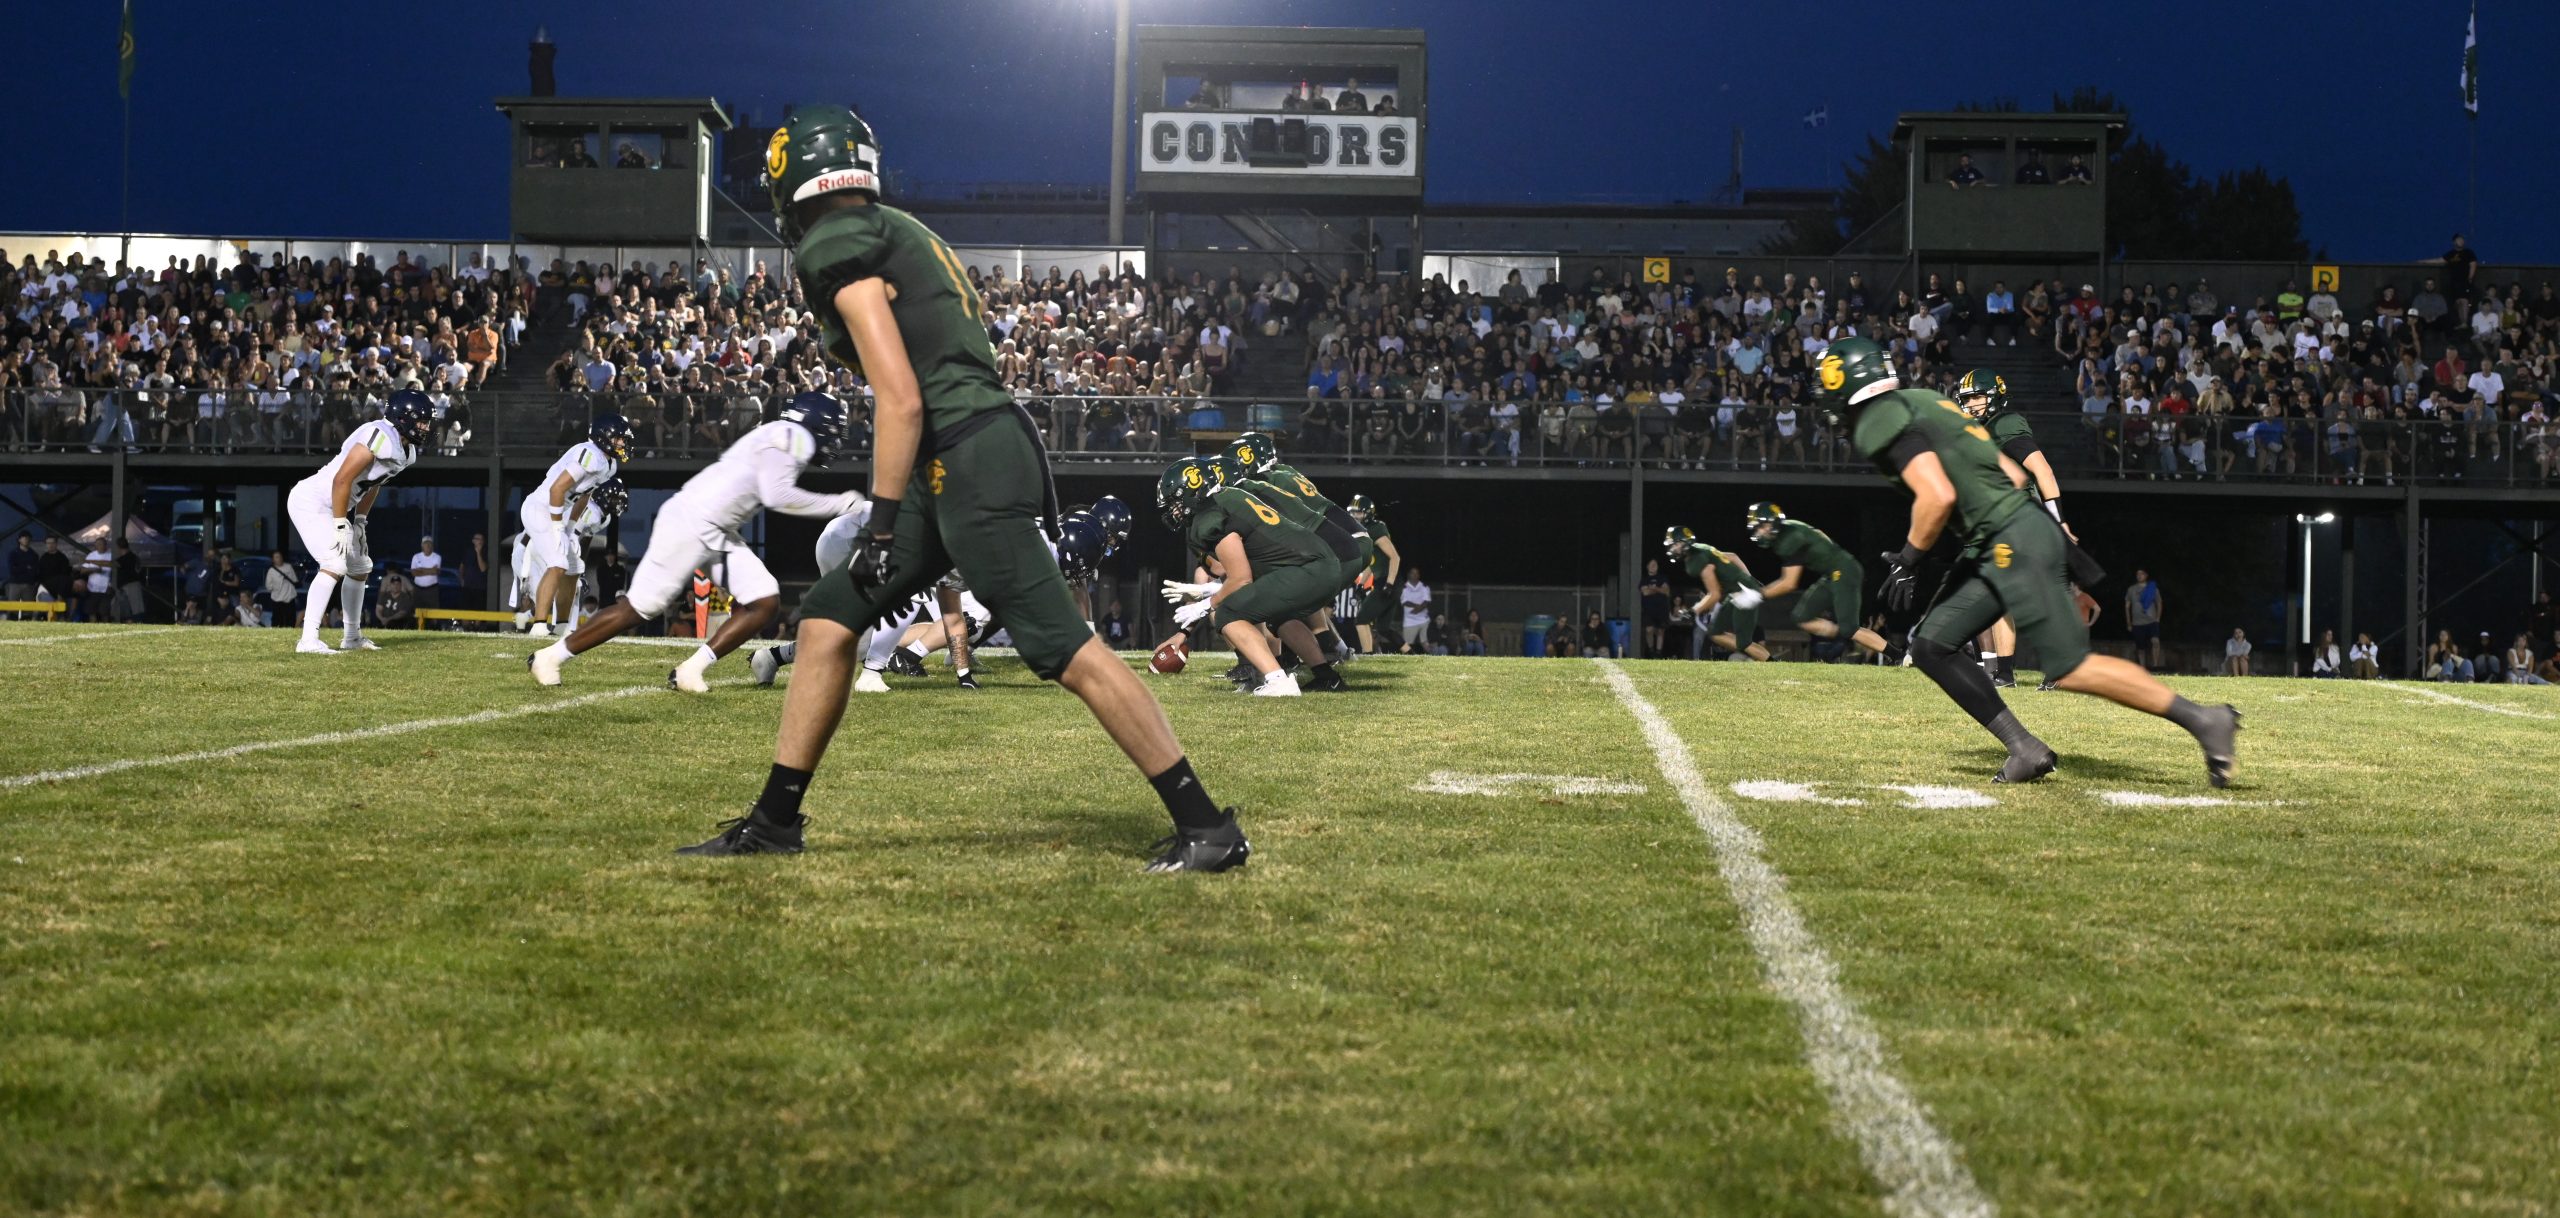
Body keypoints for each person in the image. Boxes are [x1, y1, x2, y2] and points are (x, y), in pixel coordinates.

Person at [693, 103, 1249, 873]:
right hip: (958, 452)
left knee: (1065, 648)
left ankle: (1207, 826)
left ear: (797, 176)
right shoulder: (898, 229)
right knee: (827, 620)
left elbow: (900, 397)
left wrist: (881, 523)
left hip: (965, 454)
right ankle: (775, 820)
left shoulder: (835, 242)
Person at [1825, 335, 2240, 787]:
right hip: (2003, 537)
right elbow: (2012, 473)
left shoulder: (1878, 417)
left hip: (2009, 539)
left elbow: (1936, 496)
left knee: (2072, 668)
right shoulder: (1922, 400)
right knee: (1931, 645)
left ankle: (2205, 720)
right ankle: (2024, 748)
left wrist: (1909, 558)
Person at [531, 394, 855, 691]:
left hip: (715, 527)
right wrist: (841, 503)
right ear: (815, 422)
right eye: (832, 430)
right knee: (638, 609)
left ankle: (691, 670)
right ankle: (551, 656)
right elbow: (777, 495)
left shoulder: (778, 433)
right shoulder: (794, 436)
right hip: (693, 522)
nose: (834, 439)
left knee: (764, 600)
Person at [1956, 369, 2103, 687]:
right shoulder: (1976, 432)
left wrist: (2059, 520)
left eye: (1976, 397)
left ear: (1994, 396)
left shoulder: (2005, 423)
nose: (1970, 405)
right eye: (1966, 399)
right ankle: (2003, 673)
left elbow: (2042, 469)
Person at [1156, 457, 1336, 695]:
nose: (1174, 510)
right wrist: (1200, 603)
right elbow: (1235, 576)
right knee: (1268, 611)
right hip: (1319, 564)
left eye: (1176, 502)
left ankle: (1278, 681)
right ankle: (1322, 675)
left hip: (1306, 569)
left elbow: (1240, 579)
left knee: (1228, 613)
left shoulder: (1209, 519)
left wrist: (1205, 605)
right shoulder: (1230, 497)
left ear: (1193, 491)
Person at [288, 390, 433, 654]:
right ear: (403, 418)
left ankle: (352, 637)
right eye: (421, 421)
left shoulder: (405, 451)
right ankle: (308, 640)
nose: (425, 428)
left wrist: (361, 521)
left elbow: (372, 484)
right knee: (334, 563)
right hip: (313, 502)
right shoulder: (379, 435)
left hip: (334, 505)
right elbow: (341, 480)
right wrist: (340, 523)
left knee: (360, 566)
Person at [522, 415, 632, 636]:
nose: (622, 443)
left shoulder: (609, 465)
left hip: (557, 511)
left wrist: (571, 528)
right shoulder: (589, 454)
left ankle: (562, 625)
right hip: (540, 508)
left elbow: (584, 496)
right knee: (558, 562)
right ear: (605, 437)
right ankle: (539, 625)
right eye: (619, 438)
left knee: (573, 567)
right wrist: (557, 528)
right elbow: (556, 489)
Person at [1744, 502, 1890, 660]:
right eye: (1757, 528)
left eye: (1762, 526)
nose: (1760, 531)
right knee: (1801, 617)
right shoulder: (1789, 528)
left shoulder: (1789, 539)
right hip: (1831, 574)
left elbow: (1789, 583)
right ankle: (1844, 638)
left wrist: (1757, 595)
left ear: (1773, 521)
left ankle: (1898, 656)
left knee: (1850, 629)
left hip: (1843, 570)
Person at [1664, 526, 1769, 661]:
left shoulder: (1696, 561)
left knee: (1743, 642)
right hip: (1738, 591)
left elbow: (1714, 594)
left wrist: (1694, 611)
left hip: (1742, 593)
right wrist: (1750, 579)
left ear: (1685, 543)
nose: (1672, 548)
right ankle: (1769, 661)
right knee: (1715, 632)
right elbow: (1733, 556)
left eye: (1675, 544)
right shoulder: (1701, 548)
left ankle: (1772, 663)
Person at [1346, 494, 1402, 654]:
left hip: (1387, 581)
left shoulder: (1375, 529)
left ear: (1368, 513)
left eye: (1358, 512)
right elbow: (1373, 563)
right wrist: (1361, 584)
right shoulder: (1364, 531)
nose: (1354, 516)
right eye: (1352, 512)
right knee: (1383, 628)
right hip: (1383, 580)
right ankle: (1410, 653)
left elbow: (1395, 557)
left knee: (1361, 620)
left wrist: (1389, 584)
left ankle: (1368, 655)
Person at [2124, 569, 2165, 670]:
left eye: (2141, 574)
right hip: (2137, 622)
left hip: (2151, 621)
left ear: (2146, 575)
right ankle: (2142, 667)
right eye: (2137, 574)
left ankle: (2155, 665)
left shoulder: (2152, 588)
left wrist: (2158, 618)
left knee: (2155, 641)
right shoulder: (2131, 589)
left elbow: (2159, 602)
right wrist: (2129, 622)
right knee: (2140, 647)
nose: (2139, 576)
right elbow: (2127, 606)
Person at [264, 550, 300, 628]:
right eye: (276, 557)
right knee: (277, 619)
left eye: (280, 557)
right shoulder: (271, 571)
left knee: (290, 619)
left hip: (289, 597)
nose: (279, 559)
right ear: (273, 560)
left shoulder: (288, 567)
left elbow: (295, 580)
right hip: (277, 599)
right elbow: (268, 586)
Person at [407, 537, 445, 612]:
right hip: (418, 589)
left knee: (433, 611)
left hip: (432, 589)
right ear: (422, 545)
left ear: (432, 545)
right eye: (425, 543)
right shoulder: (416, 556)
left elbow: (435, 571)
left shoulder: (437, 557)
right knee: (417, 611)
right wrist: (430, 570)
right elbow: (414, 573)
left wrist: (421, 570)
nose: (427, 545)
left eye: (429, 543)